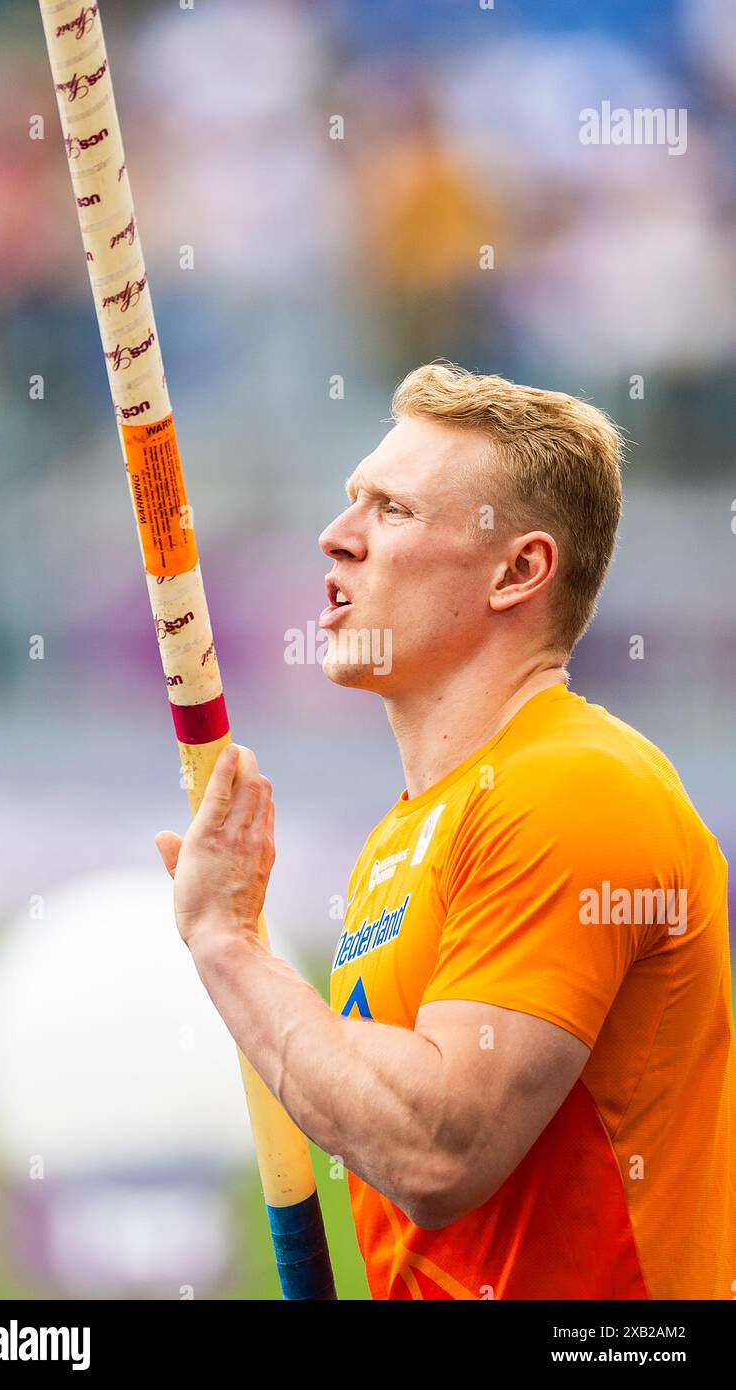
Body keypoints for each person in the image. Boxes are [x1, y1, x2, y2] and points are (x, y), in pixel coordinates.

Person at [155, 362, 735, 1300]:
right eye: (352, 503)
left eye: (390, 511)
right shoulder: (401, 839)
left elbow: (436, 1151)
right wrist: (243, 952)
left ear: (519, 570)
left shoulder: (572, 786)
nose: (334, 537)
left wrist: (229, 949)